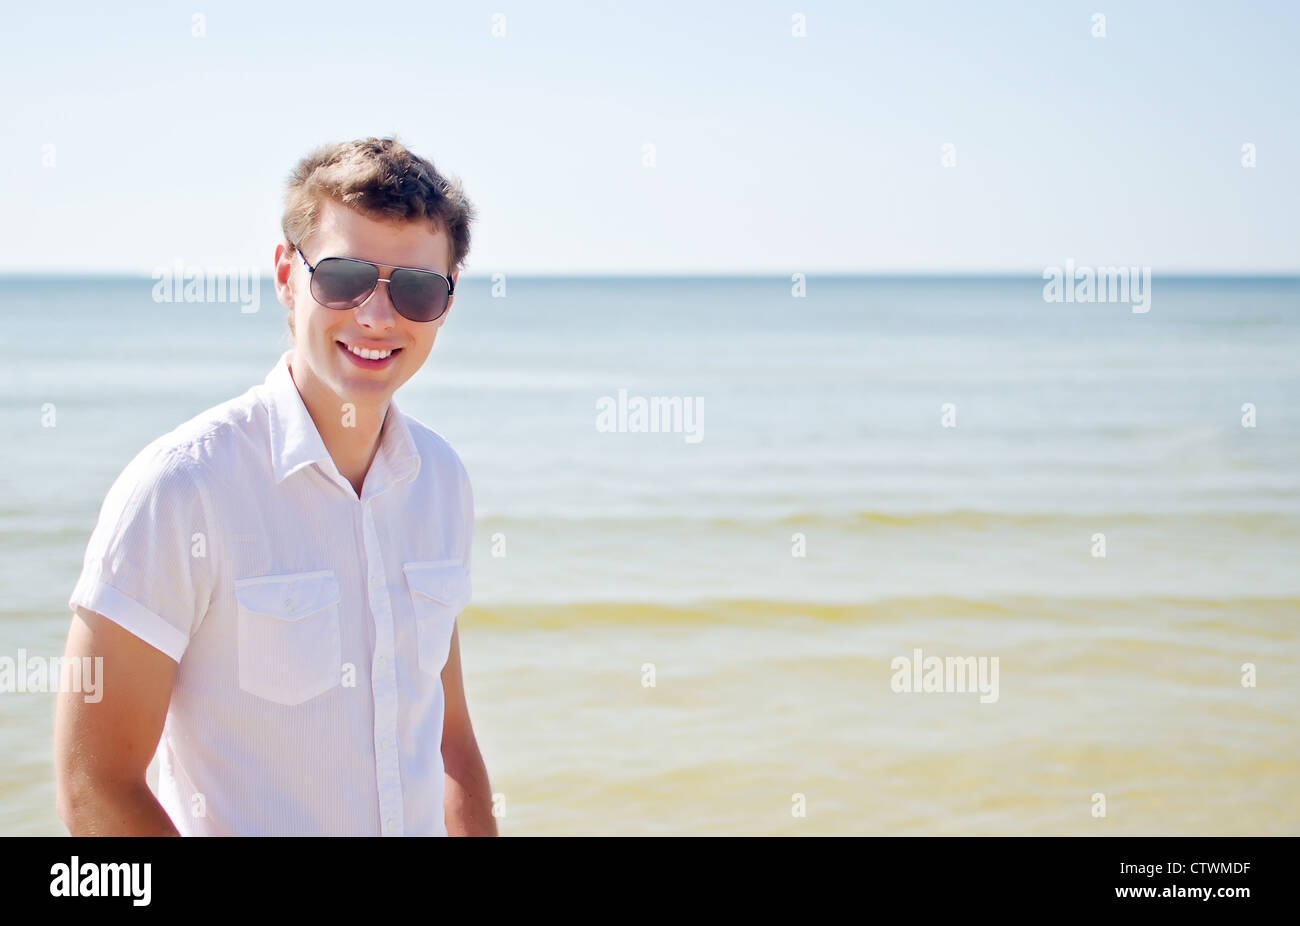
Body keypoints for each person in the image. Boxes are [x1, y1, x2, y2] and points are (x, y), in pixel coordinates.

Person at [54, 137, 496, 836]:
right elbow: (95, 784)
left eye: (415, 288)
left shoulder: (441, 482)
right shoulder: (181, 489)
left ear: (446, 300)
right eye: (346, 277)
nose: (378, 317)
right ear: (287, 276)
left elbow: (449, 745)